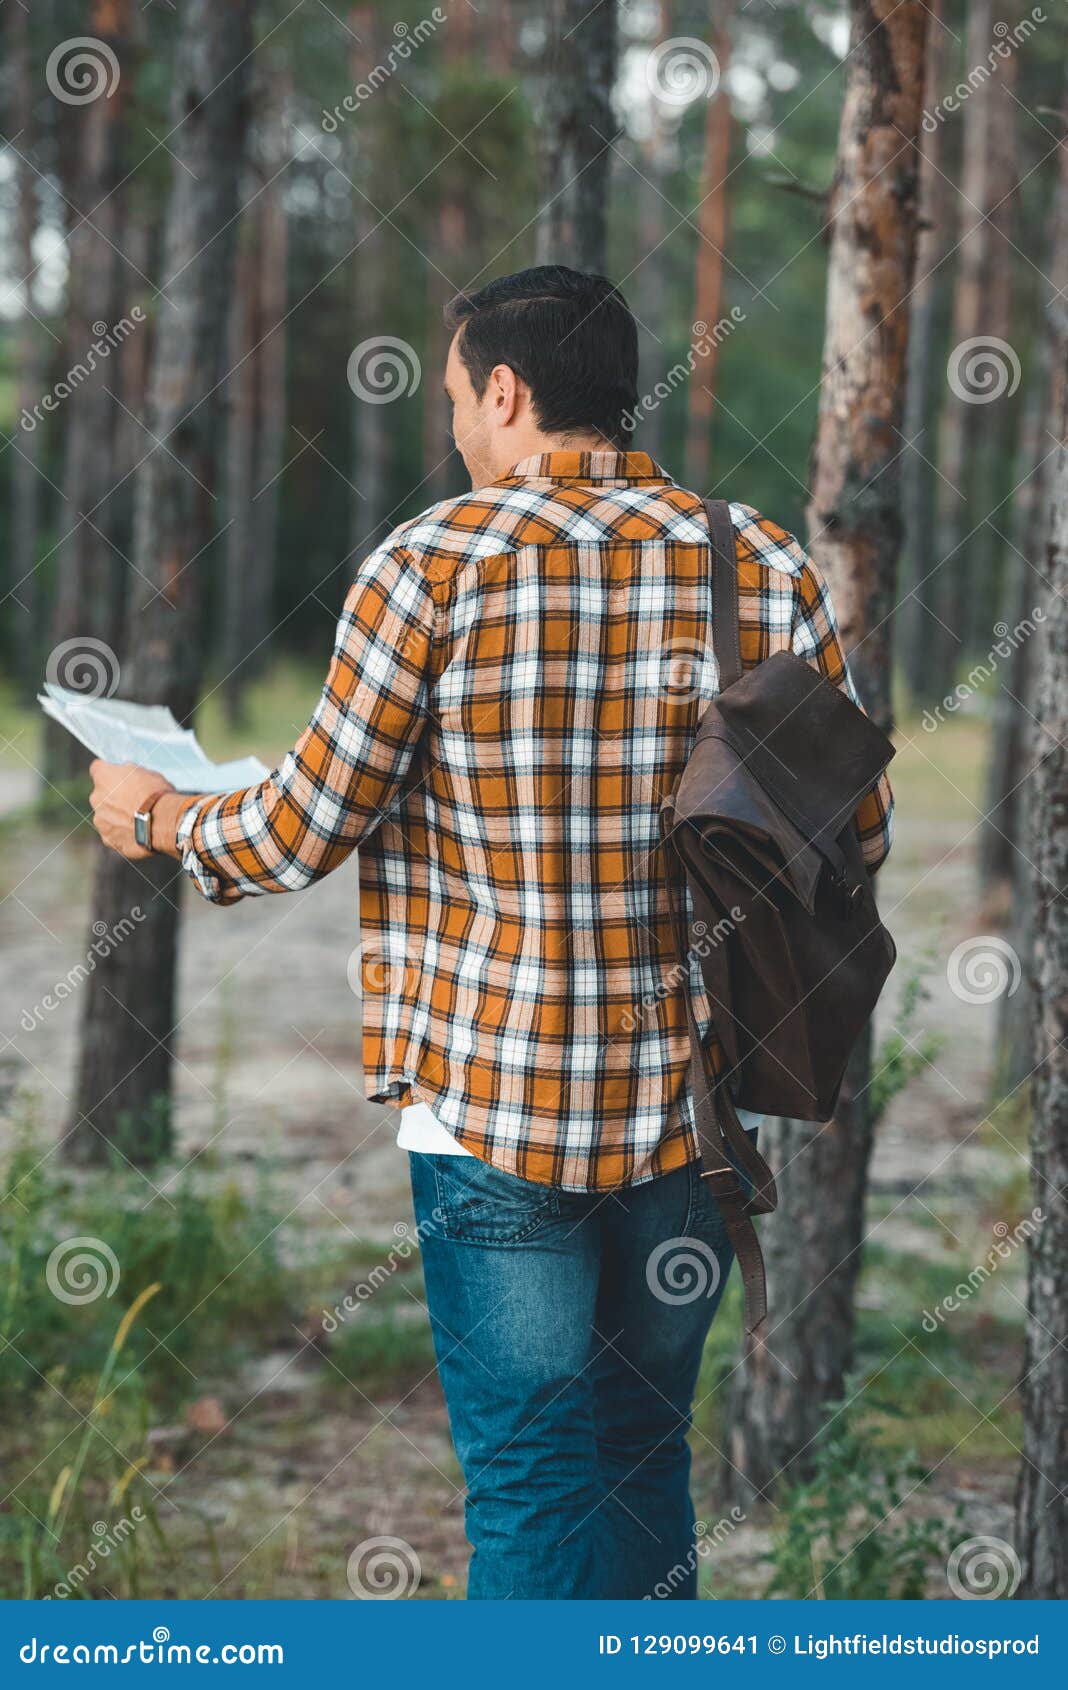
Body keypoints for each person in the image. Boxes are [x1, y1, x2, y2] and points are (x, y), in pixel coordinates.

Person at [89, 265, 893, 1600]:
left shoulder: (430, 564)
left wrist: (162, 817)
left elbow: (301, 826)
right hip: (690, 1108)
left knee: (529, 1476)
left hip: (491, 1109)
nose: (458, 426)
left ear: (507, 391)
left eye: (460, 396)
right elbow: (848, 836)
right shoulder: (756, 561)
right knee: (642, 1459)